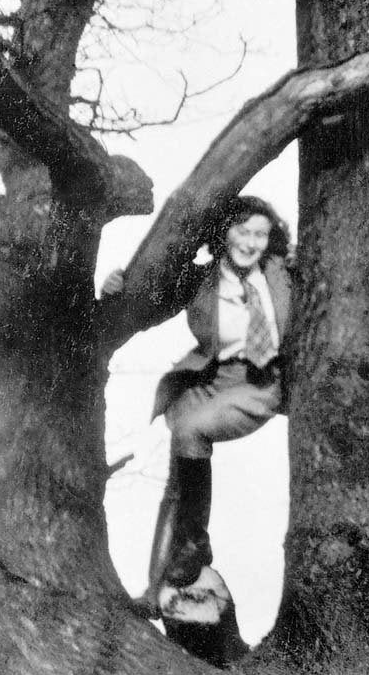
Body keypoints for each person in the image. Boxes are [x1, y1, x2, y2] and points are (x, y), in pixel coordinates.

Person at [101, 195, 292, 617]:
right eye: (242, 231)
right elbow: (143, 304)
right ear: (224, 233)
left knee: (189, 430)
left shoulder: (283, 272)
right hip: (211, 380)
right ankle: (155, 590)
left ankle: (195, 542)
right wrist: (116, 286)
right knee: (178, 476)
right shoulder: (200, 281)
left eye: (260, 234)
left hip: (261, 383)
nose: (250, 242)